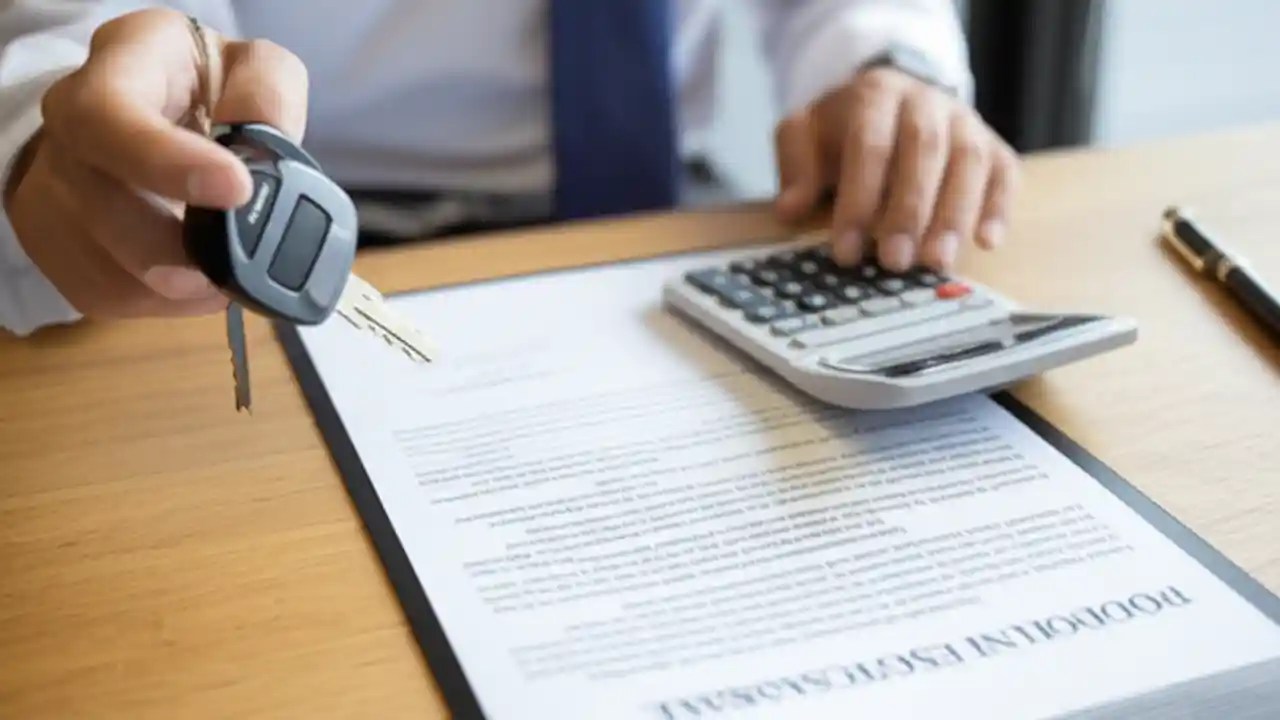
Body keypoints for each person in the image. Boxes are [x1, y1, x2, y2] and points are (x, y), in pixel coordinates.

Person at [0, 1, 1018, 337]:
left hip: (671, 217)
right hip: (279, 226)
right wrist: (68, 121)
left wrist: (884, 58)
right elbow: (103, 37)